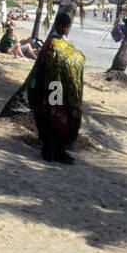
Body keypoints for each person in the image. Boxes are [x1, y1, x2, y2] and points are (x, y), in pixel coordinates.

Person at [27, 11, 85, 163]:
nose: (66, 29)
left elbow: (73, 57)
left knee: (68, 117)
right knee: (52, 117)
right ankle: (50, 151)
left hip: (65, 87)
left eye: (68, 27)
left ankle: (60, 151)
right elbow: (46, 64)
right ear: (58, 26)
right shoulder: (52, 43)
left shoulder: (65, 43)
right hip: (53, 86)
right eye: (64, 26)